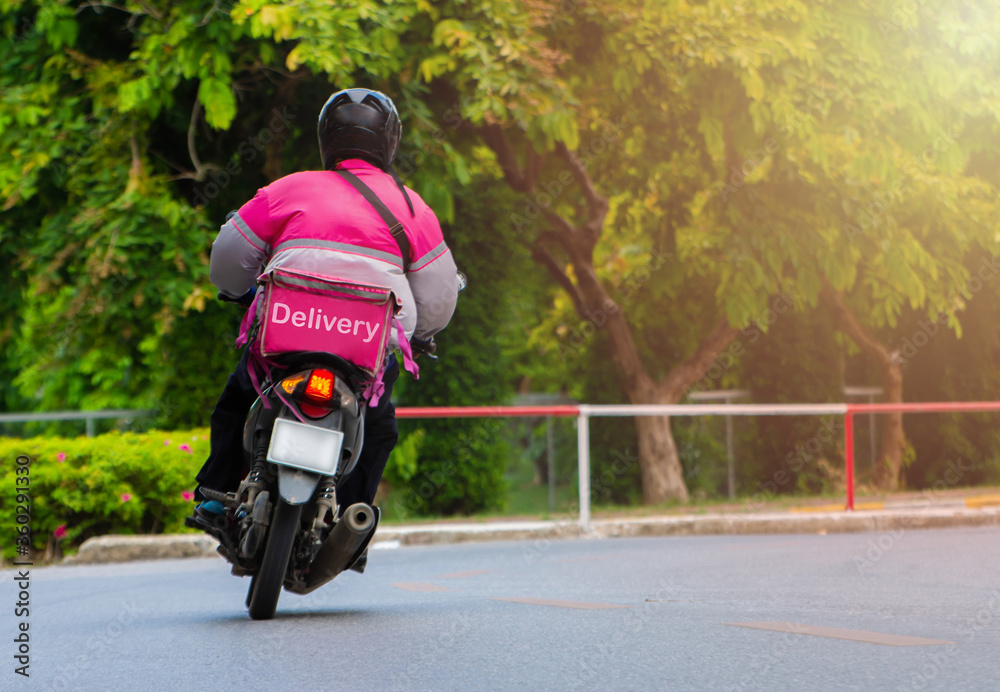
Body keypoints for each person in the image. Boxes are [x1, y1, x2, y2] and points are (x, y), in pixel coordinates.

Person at [190, 88, 459, 542]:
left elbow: (228, 259)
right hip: (364, 347)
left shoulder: (289, 188)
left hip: (285, 337)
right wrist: (423, 334)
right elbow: (437, 298)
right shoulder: (413, 207)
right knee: (377, 425)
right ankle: (352, 522)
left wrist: (237, 291)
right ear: (390, 141)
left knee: (240, 396)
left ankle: (216, 495)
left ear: (326, 139)